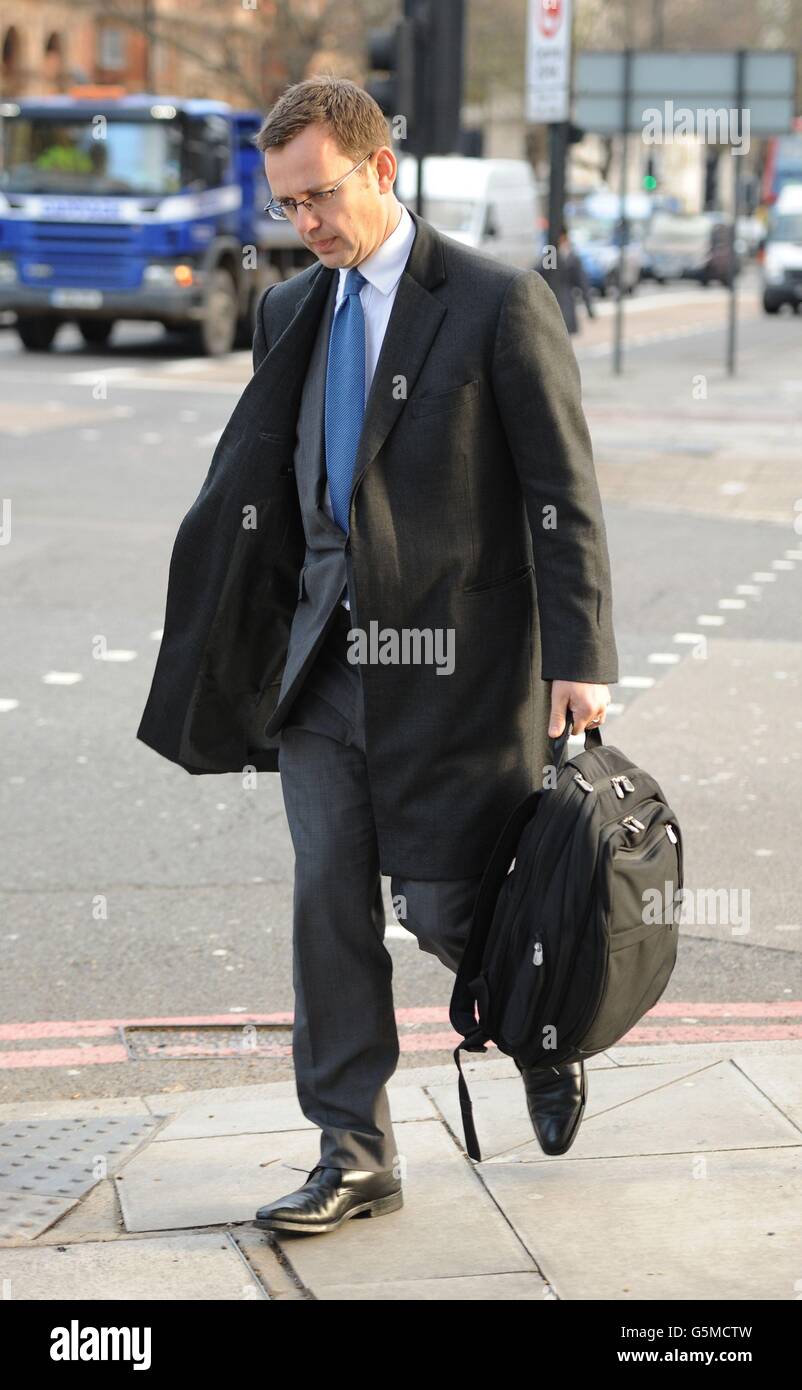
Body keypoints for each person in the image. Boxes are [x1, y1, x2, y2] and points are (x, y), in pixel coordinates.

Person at [136, 76, 618, 1236]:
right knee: (328, 906)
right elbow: (274, 477)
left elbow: (562, 490)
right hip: (322, 672)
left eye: (319, 197)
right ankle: (352, 1150)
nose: (304, 224)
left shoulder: (496, 302)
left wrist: (580, 653)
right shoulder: (292, 313)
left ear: (380, 167)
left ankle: (541, 1027)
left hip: (459, 669)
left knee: (454, 910)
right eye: (286, 206)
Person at [555, 225, 596, 335]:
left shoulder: (573, 257)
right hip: (554, 303)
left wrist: (589, 308)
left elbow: (583, 283)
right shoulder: (550, 255)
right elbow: (540, 273)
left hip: (566, 303)